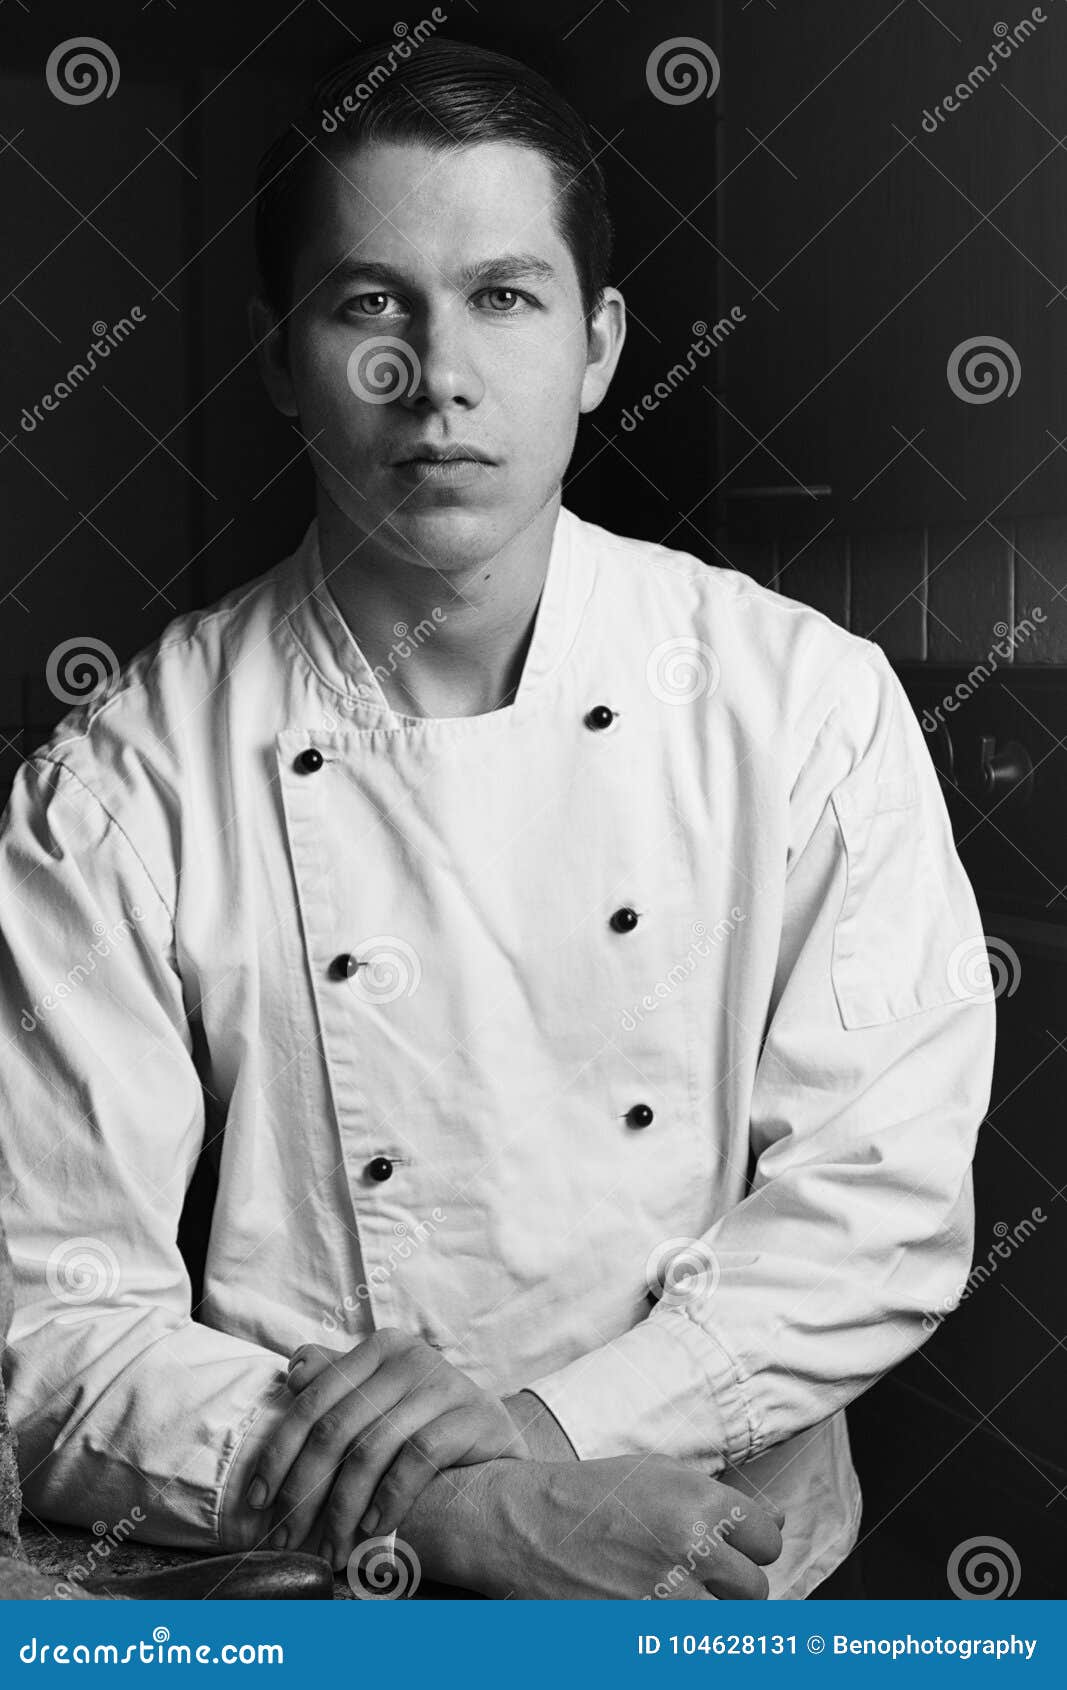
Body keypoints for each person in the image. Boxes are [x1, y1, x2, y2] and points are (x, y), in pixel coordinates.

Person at [0, 36, 994, 1601]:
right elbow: (48, 1323)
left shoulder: (802, 704)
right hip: (304, 1581)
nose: (438, 374)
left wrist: (551, 1429)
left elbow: (884, 1199)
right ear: (280, 356)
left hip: (703, 1558)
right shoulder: (127, 782)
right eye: (368, 303)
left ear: (599, 344)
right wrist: (444, 1512)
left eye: (504, 296)